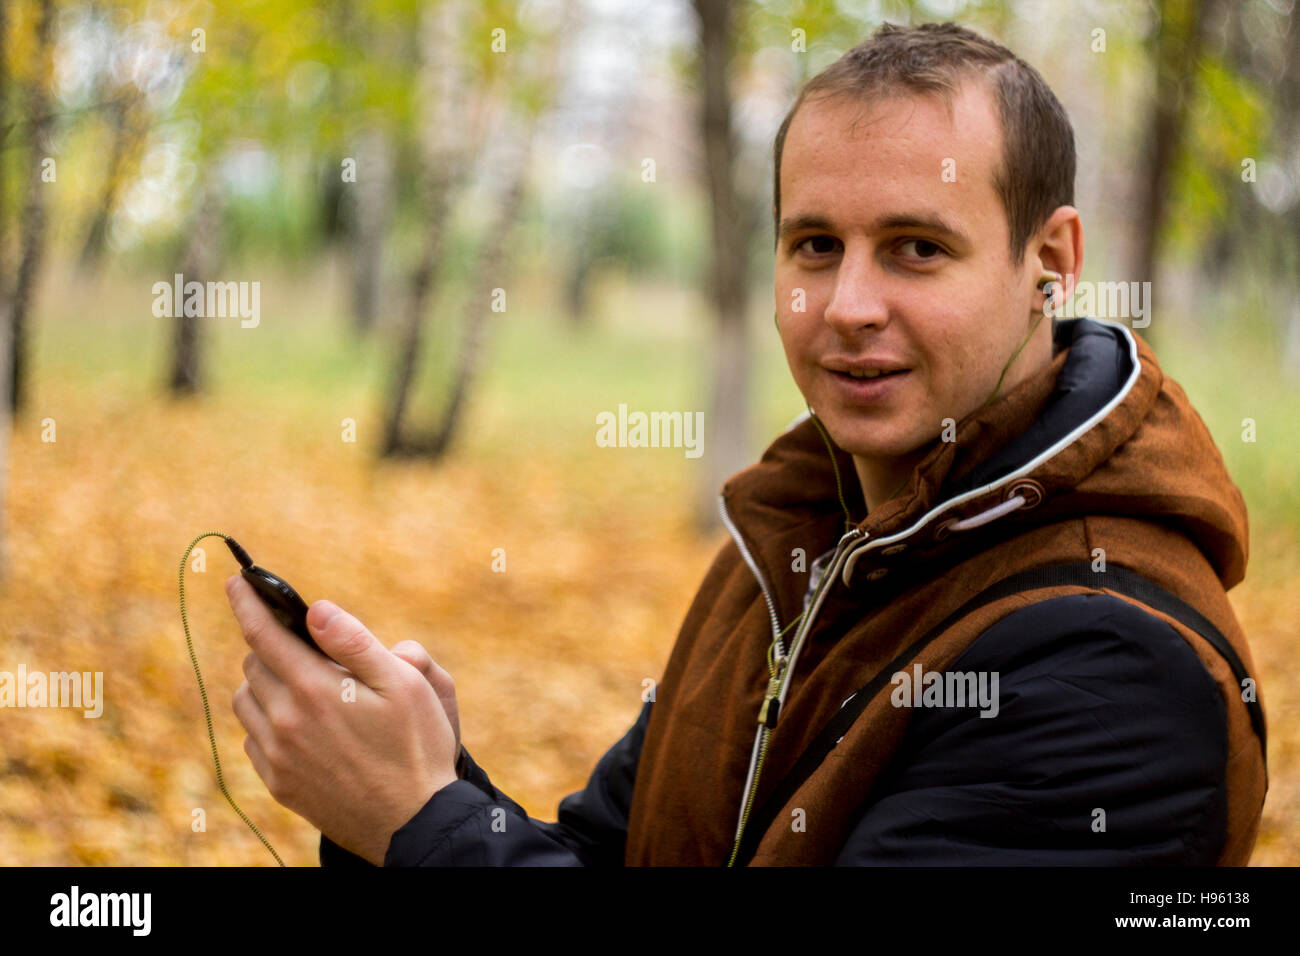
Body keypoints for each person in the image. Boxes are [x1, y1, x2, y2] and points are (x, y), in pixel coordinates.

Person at [226, 21, 1267, 867]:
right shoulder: (796, 543)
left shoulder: (1111, 659)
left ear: (1050, 258)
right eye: (816, 244)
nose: (849, 304)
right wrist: (426, 779)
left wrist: (423, 827)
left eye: (915, 248)